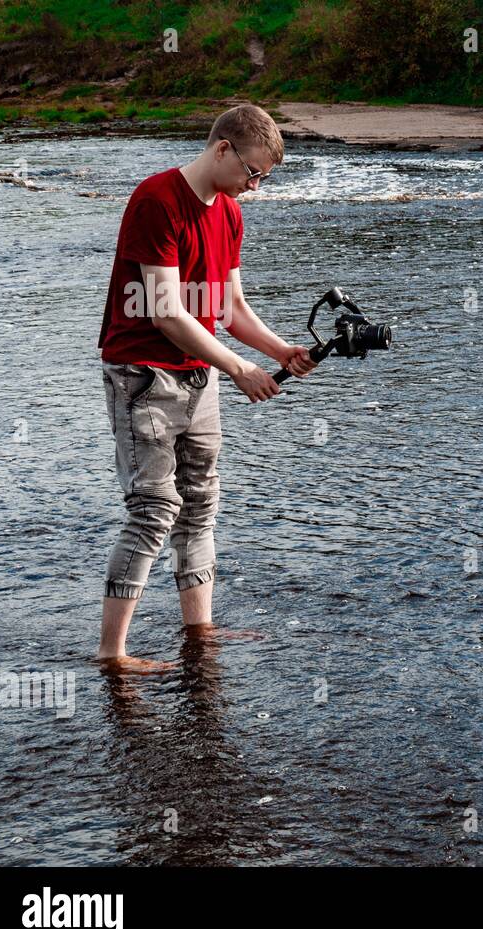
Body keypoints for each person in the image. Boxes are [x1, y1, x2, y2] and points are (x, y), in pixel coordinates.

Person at [96, 104, 317, 671]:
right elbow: (167, 313)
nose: (255, 186)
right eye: (253, 173)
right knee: (154, 508)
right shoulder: (156, 201)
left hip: (200, 376)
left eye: (262, 177)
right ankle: (112, 654)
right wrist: (237, 368)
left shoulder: (229, 214)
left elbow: (232, 307)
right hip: (144, 376)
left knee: (200, 507)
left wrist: (278, 351)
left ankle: (200, 631)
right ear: (223, 149)